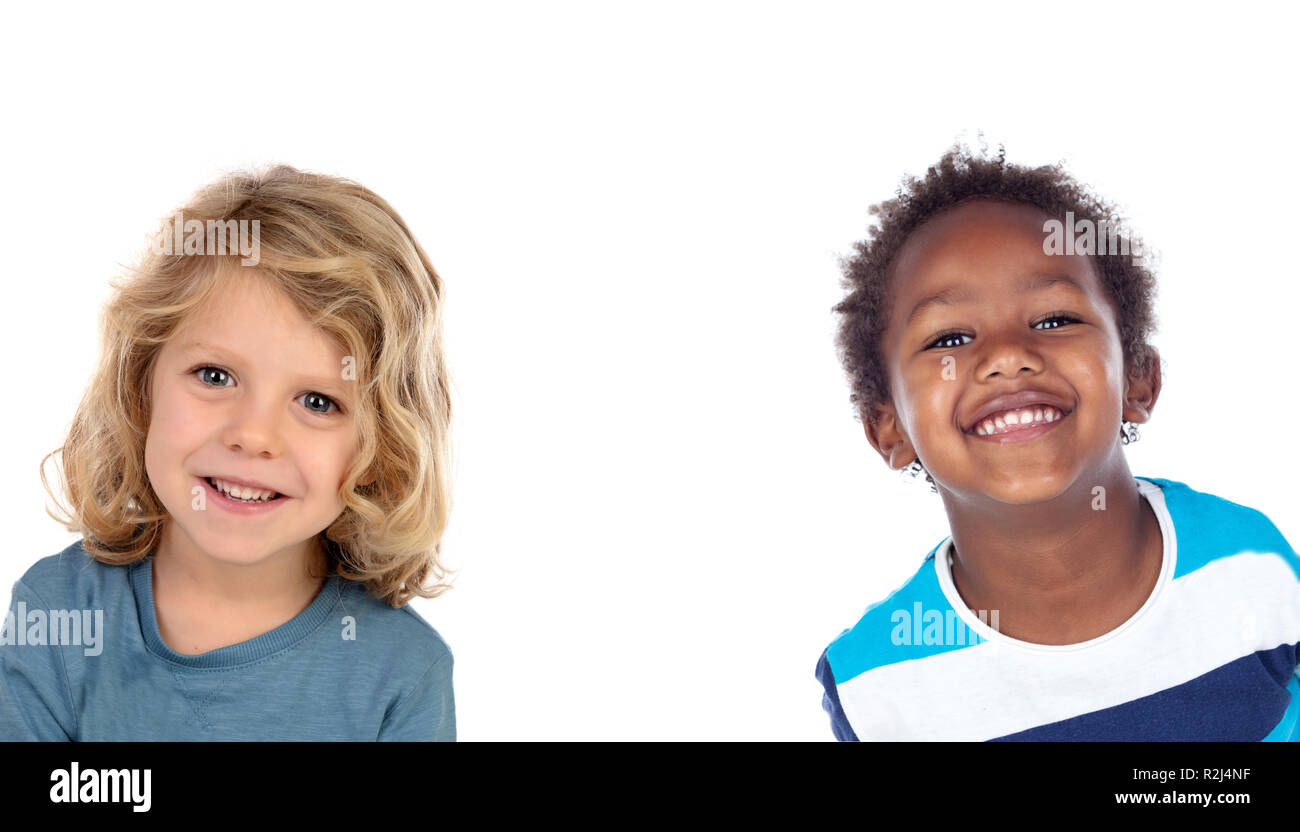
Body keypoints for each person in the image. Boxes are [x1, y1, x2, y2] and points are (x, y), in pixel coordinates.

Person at [816, 142, 1300, 741]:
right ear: (888, 428)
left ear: (1139, 379)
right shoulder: (878, 688)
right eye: (948, 339)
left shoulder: (1254, 566)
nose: (1008, 356)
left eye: (1054, 320)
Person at [0, 166, 456, 740]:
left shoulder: (404, 672)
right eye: (214, 375)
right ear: (141, 385)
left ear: (382, 446)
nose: (253, 435)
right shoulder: (59, 614)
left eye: (318, 401)